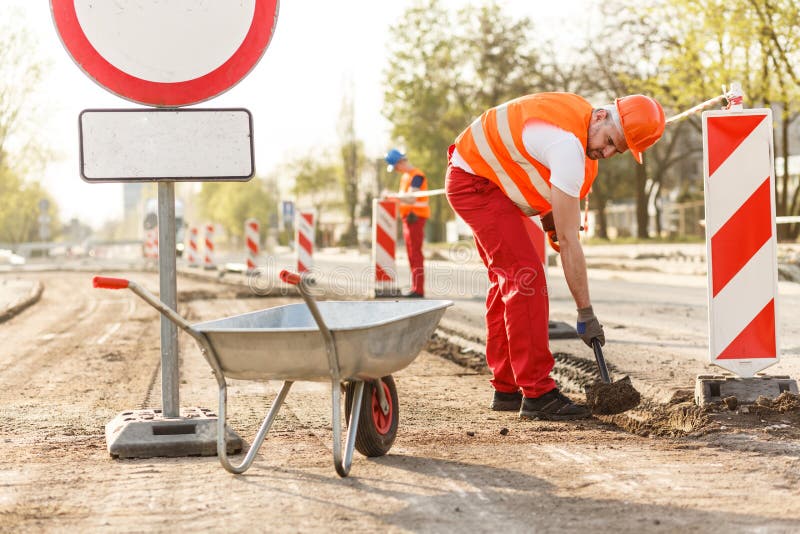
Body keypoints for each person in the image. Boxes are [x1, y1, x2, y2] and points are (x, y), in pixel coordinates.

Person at [444, 92, 665, 420]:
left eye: (615, 151)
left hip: (486, 178)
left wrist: (552, 227)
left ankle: (507, 388)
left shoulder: (578, 128)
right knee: (526, 277)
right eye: (608, 142)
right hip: (475, 183)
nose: (605, 152)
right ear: (602, 116)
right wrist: (585, 312)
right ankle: (538, 394)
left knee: (508, 280)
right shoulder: (567, 146)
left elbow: (543, 189)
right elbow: (569, 240)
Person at [385, 148, 430, 298]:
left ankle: (418, 289)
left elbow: (411, 198)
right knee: (411, 254)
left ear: (399, 162)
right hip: (408, 219)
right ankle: (415, 287)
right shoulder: (406, 176)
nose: (397, 171)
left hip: (415, 218)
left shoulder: (417, 176)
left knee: (415, 254)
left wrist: (393, 196)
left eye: (396, 167)